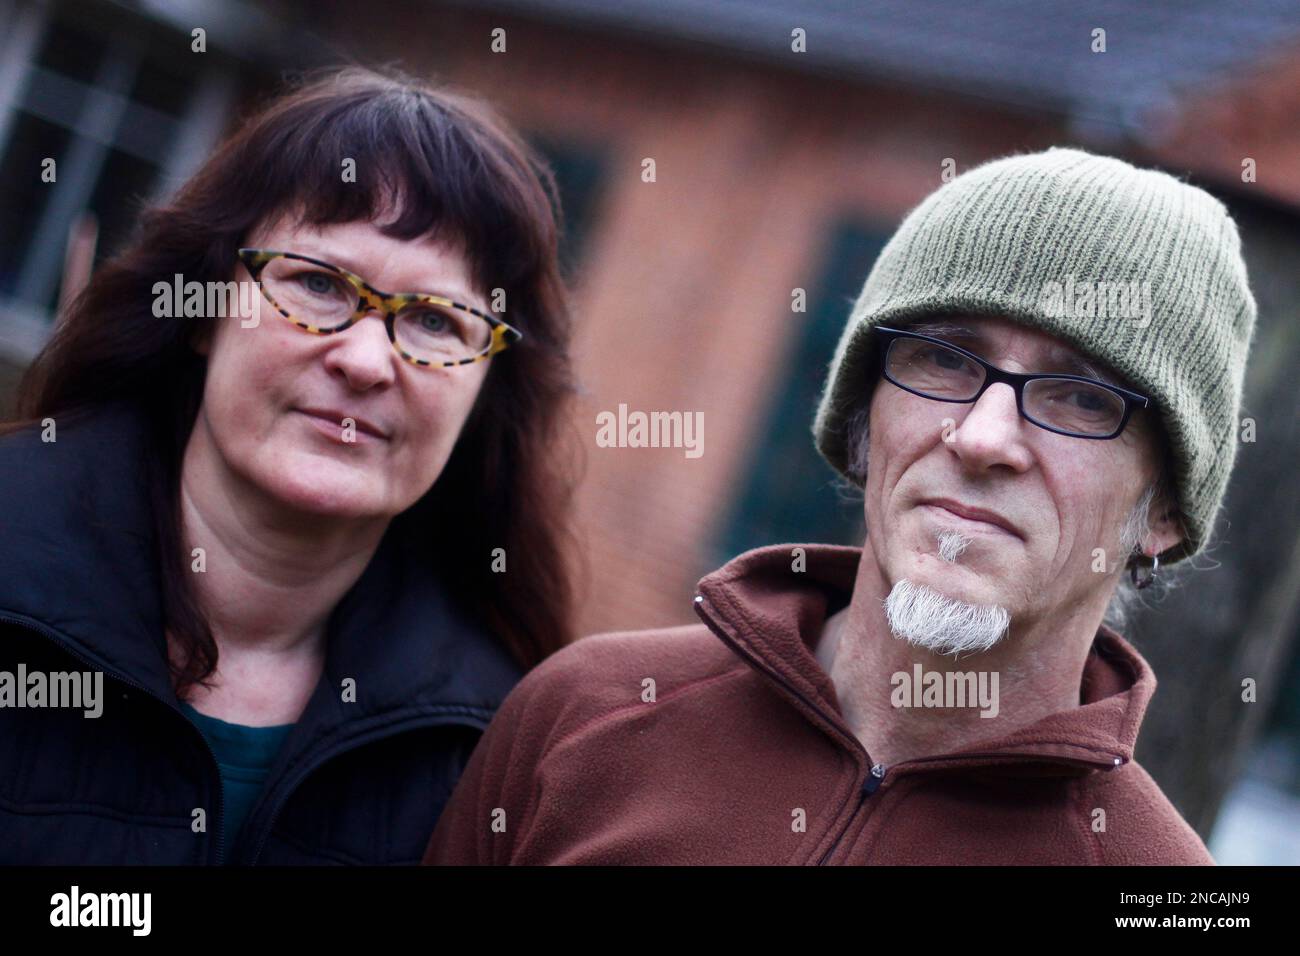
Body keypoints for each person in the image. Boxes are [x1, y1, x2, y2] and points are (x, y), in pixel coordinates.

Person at [423, 147, 1255, 865]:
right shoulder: (584, 712)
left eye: (1080, 397)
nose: (981, 437)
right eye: (945, 359)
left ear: (1164, 513)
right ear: (863, 423)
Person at [0, 65, 578, 864]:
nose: (368, 360)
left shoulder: (498, 752)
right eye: (317, 284)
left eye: (437, 323)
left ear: (486, 393)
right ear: (202, 312)